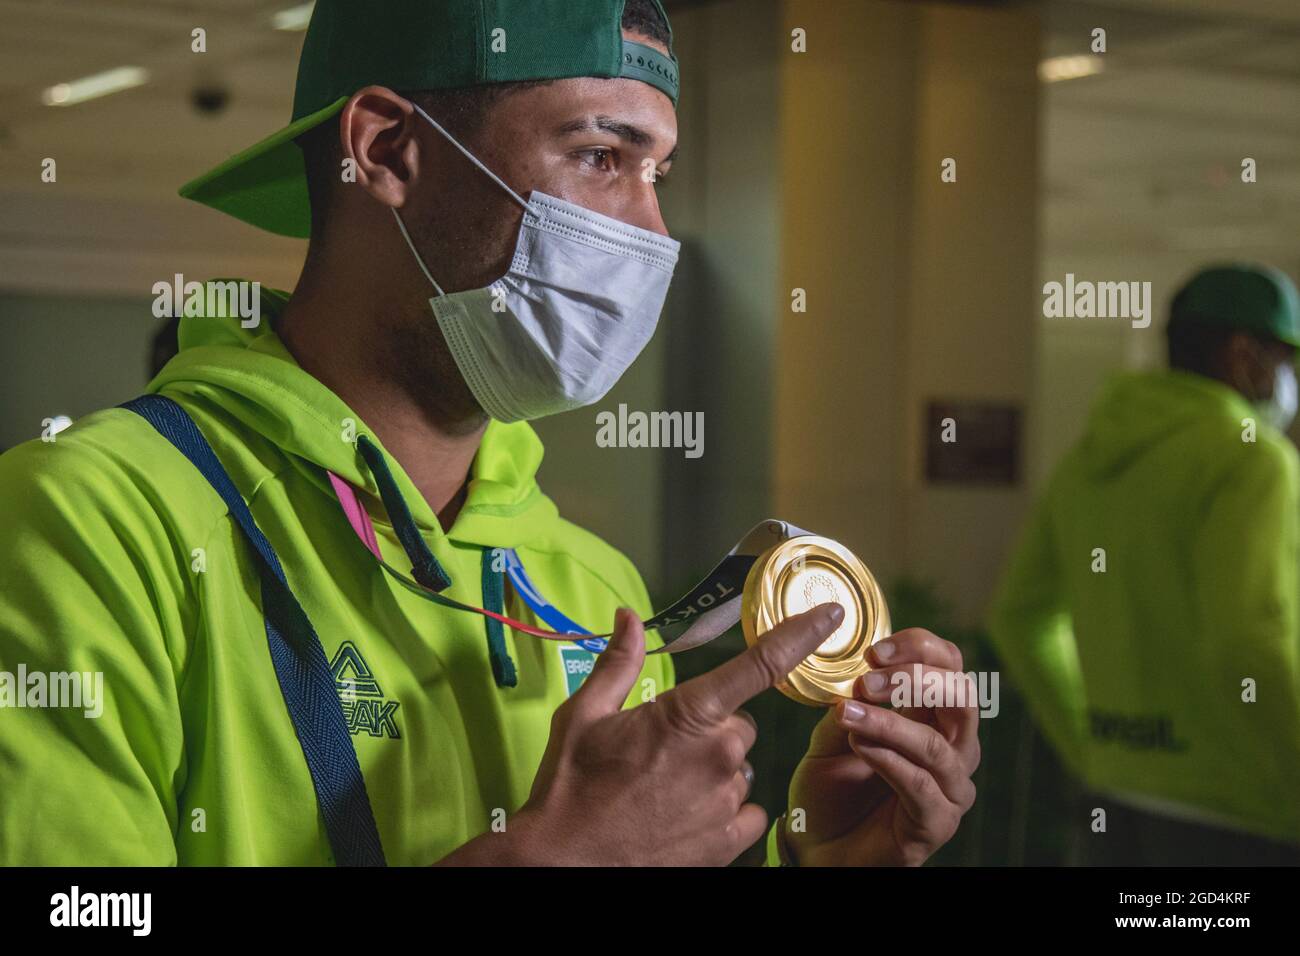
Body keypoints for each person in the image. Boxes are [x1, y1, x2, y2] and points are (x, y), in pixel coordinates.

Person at [0, 0, 977, 866]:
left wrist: (813, 857)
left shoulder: (592, 589)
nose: (652, 229)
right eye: (602, 156)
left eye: (659, 171)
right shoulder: (88, 524)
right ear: (385, 151)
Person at [989, 263, 1300, 864]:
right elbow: (1248, 639)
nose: (1289, 380)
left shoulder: (1088, 460)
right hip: (1242, 816)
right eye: (1286, 360)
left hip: (1117, 803)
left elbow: (1018, 616)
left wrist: (1096, 746)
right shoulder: (1254, 460)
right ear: (1242, 355)